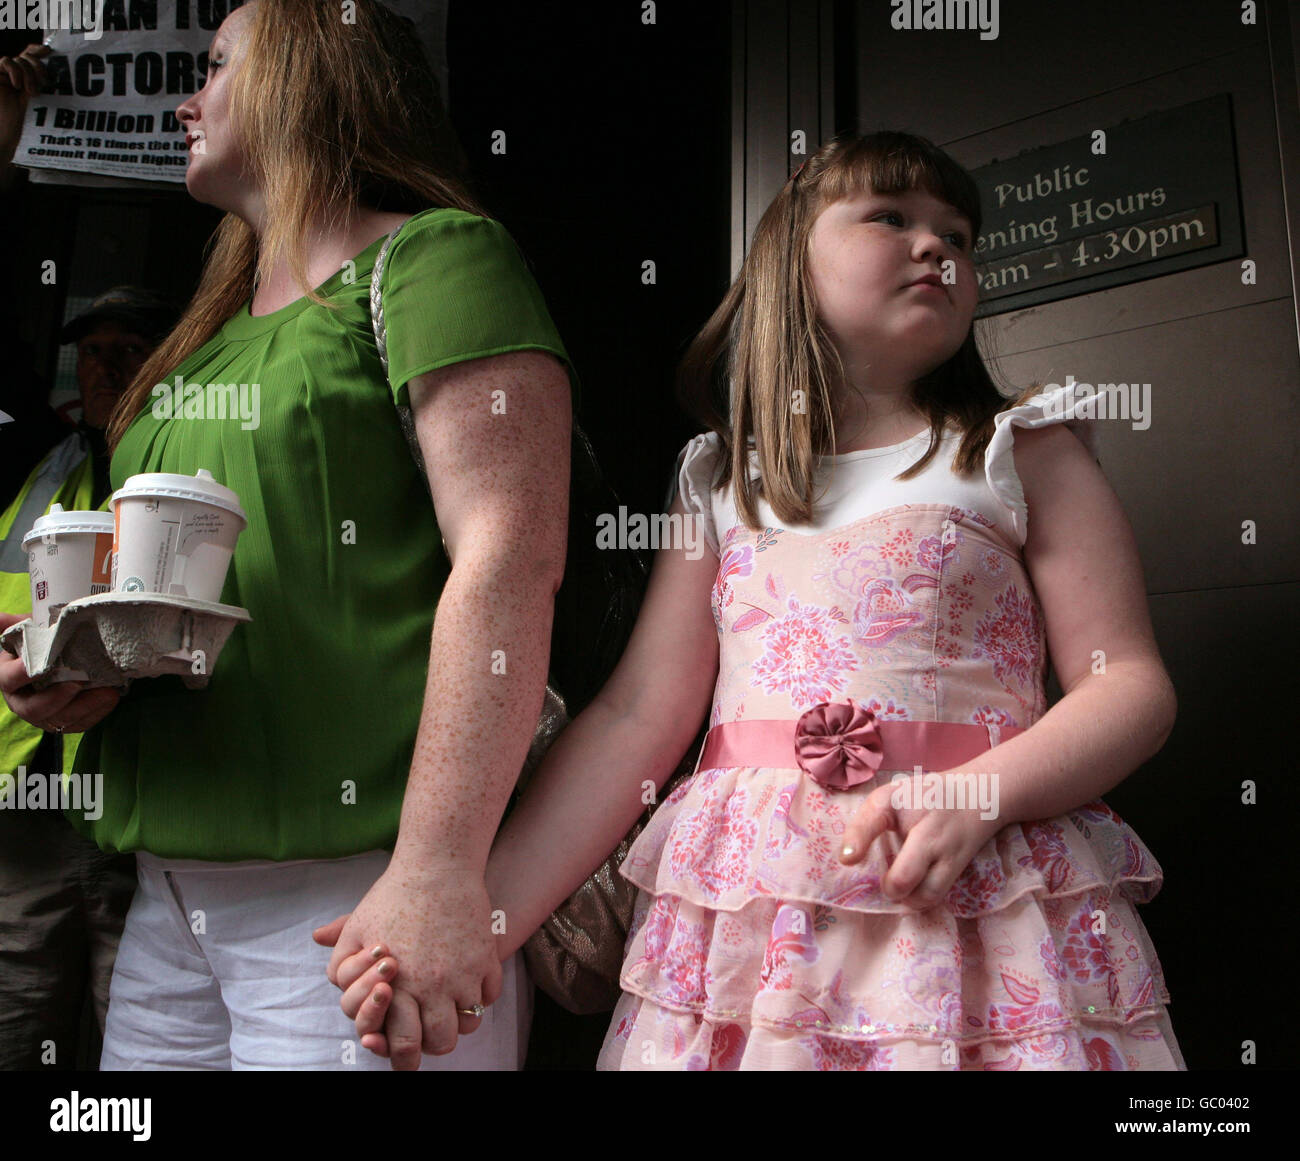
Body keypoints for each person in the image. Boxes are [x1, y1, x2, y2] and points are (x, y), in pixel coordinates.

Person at [333, 132, 1185, 1070]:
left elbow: (1130, 686)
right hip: (751, 936)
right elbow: (634, 720)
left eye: (958, 234)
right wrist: (477, 928)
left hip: (969, 910)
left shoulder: (1018, 449)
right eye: (891, 217)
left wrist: (977, 796)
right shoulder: (721, 478)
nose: (937, 246)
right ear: (788, 259)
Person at [0, 0, 574, 1071]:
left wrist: (440, 869)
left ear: (312, 78)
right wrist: (77, 669)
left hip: (355, 900)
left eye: (216, 67)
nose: (187, 98)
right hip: (170, 898)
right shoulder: (205, 335)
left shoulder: (432, 261)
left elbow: (510, 557)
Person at [0, 287, 175, 1071]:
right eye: (92, 352)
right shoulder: (38, 461)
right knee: (17, 1009)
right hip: (24, 803)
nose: (104, 368)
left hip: (134, 803)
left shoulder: (182, 473)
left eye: (127, 350)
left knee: (135, 1029)